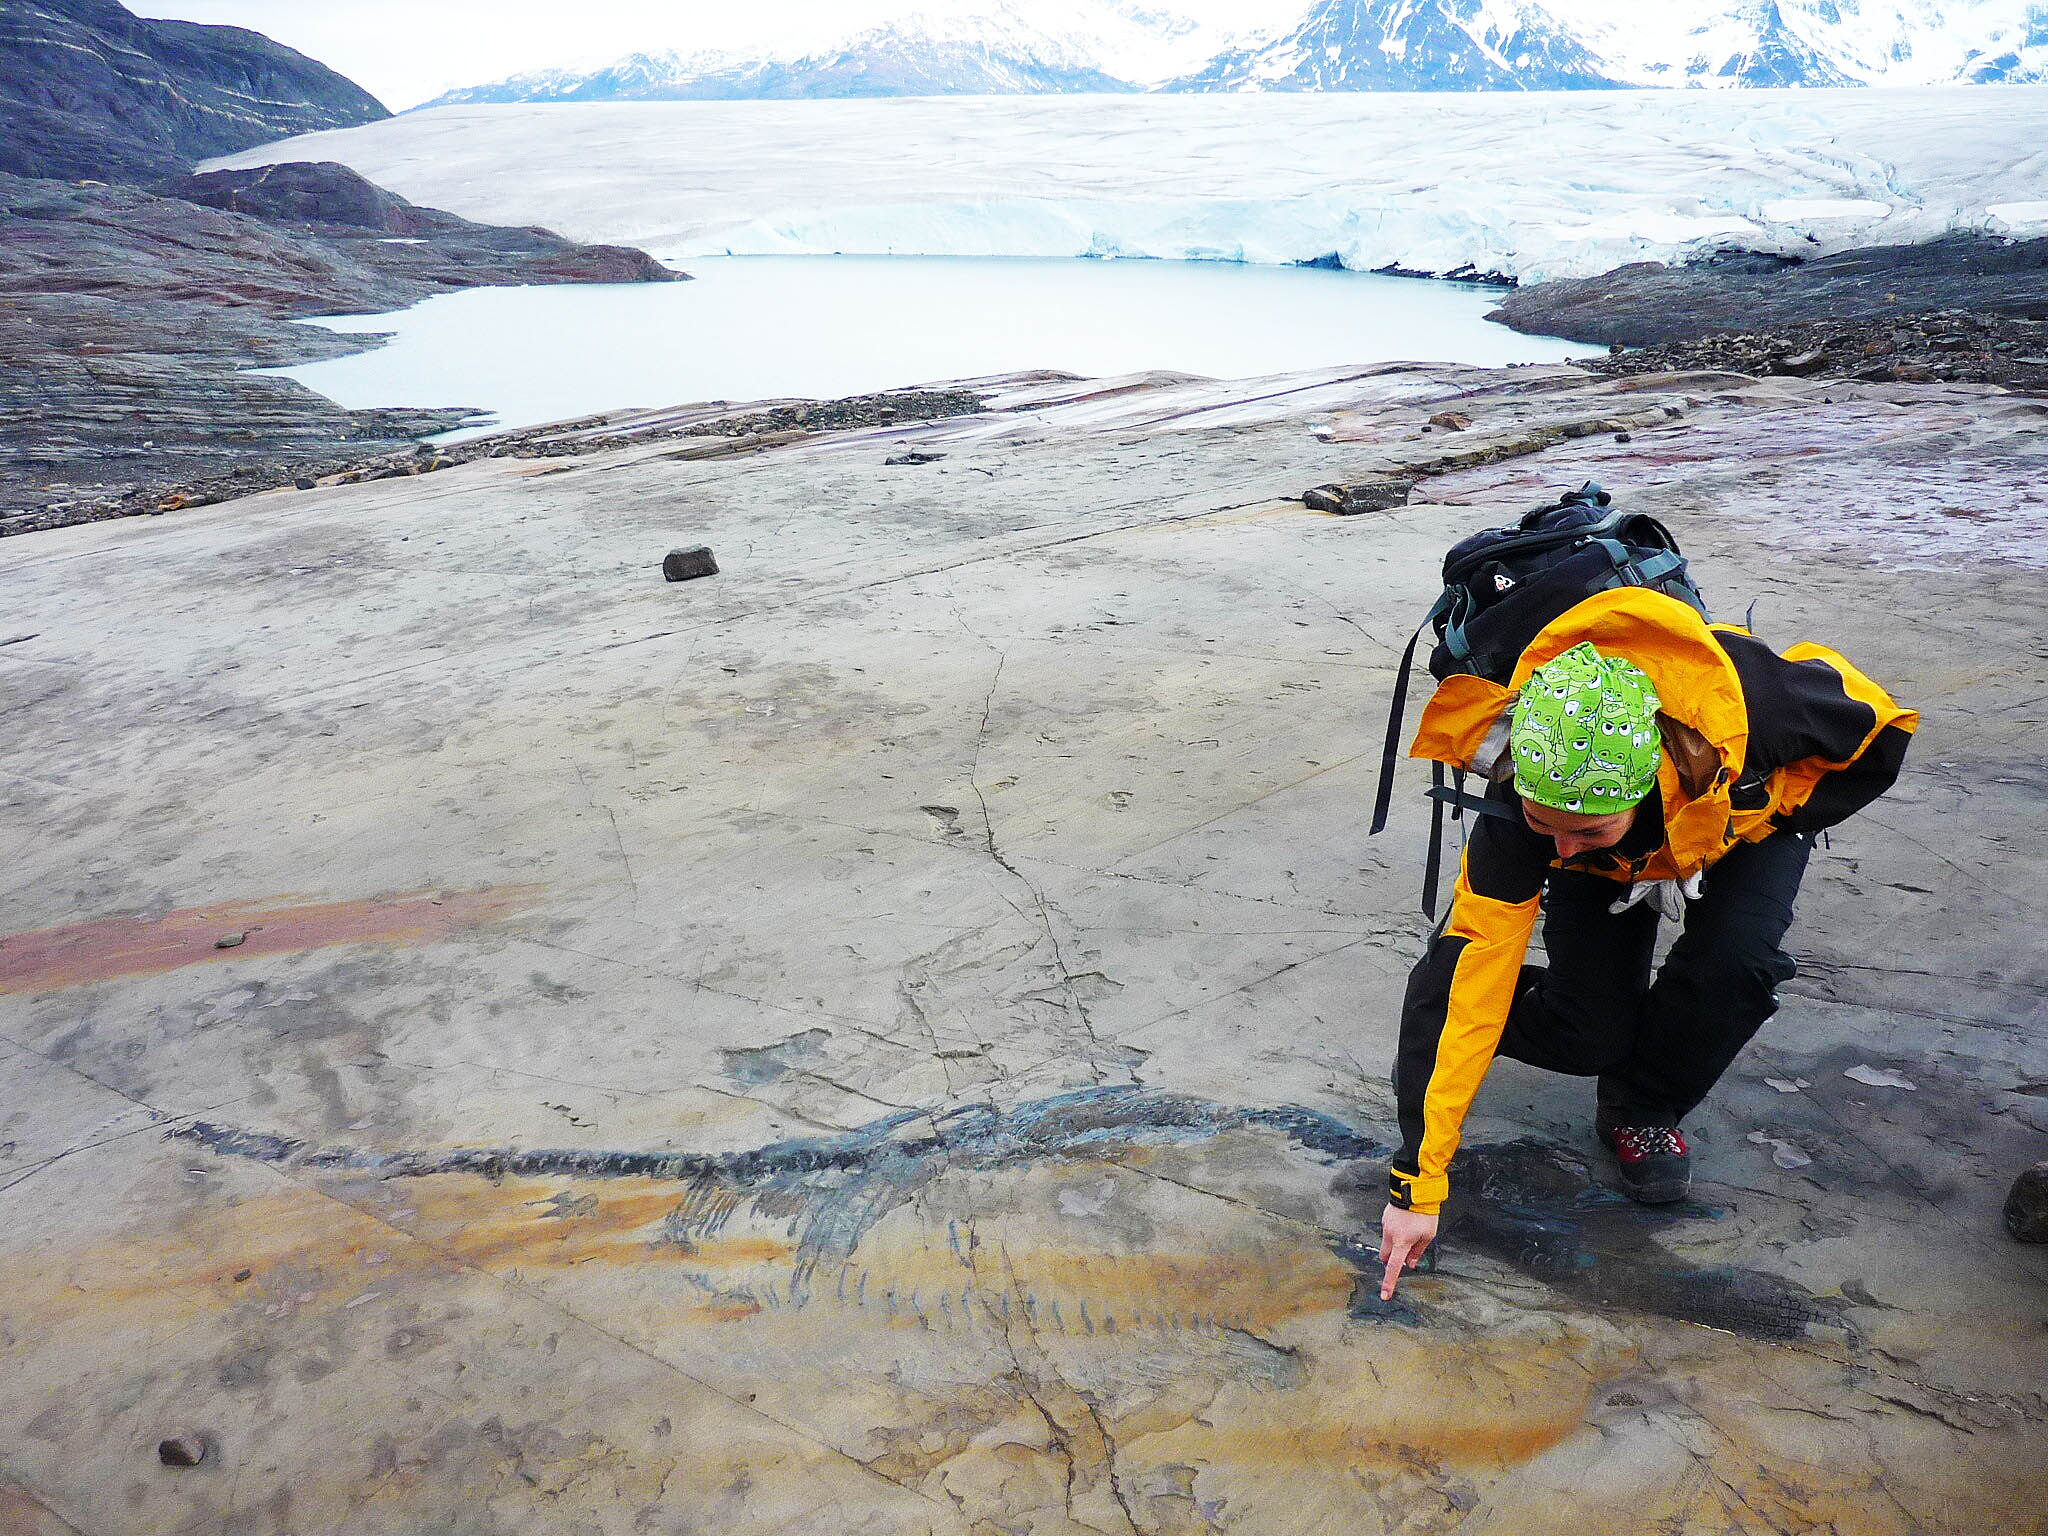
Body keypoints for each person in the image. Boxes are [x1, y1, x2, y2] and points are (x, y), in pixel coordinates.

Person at [1375, 588, 1916, 1301]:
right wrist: (1417, 1185)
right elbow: (1479, 950)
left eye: (1586, 828)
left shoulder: (1770, 708)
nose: (1560, 848)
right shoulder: (1526, 809)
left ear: (1645, 784)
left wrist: (1775, 816)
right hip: (1627, 842)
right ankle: (1487, 1022)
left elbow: (1884, 728)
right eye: (1547, 824)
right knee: (1573, 1028)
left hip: (1739, 812)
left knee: (1739, 962)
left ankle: (1642, 1106)